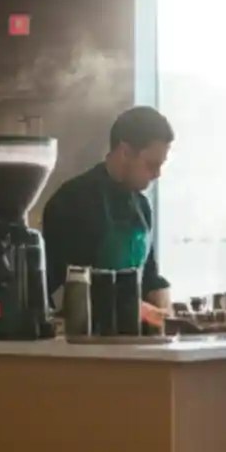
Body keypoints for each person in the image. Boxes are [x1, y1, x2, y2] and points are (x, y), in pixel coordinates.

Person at [43, 106, 174, 328]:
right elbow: (65, 283)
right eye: (152, 165)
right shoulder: (72, 200)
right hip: (87, 337)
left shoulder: (141, 206)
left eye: (161, 165)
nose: (157, 174)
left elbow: (150, 277)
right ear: (125, 152)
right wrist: (139, 308)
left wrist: (169, 314)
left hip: (131, 332)